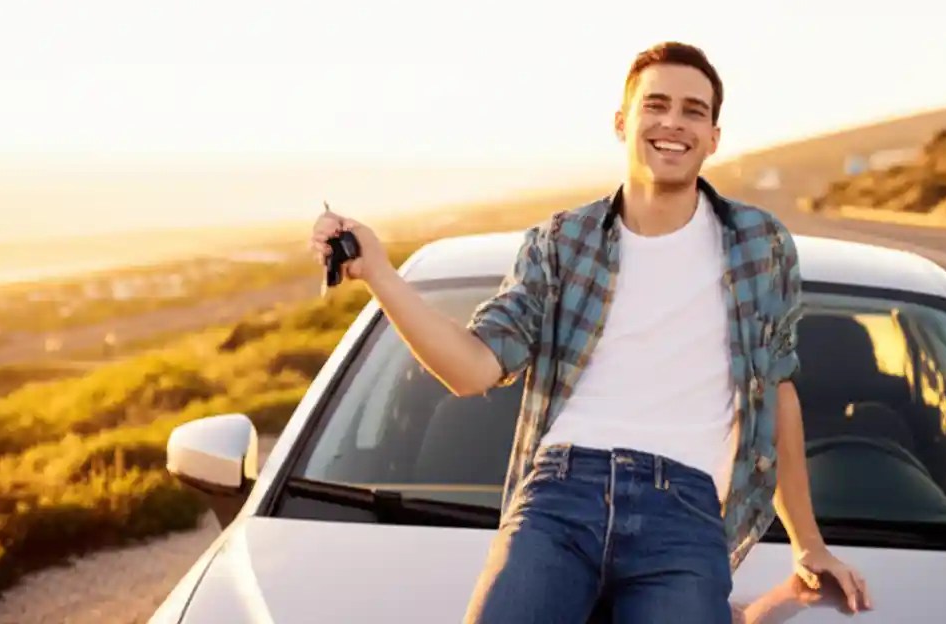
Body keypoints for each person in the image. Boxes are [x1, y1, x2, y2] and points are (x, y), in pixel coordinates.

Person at [310, 42, 873, 623]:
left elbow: (775, 391)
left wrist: (807, 543)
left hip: (684, 511)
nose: (673, 122)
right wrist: (378, 271)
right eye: (656, 105)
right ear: (622, 122)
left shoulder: (761, 245)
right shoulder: (561, 243)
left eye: (693, 111)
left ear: (713, 136)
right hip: (559, 496)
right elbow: (472, 367)